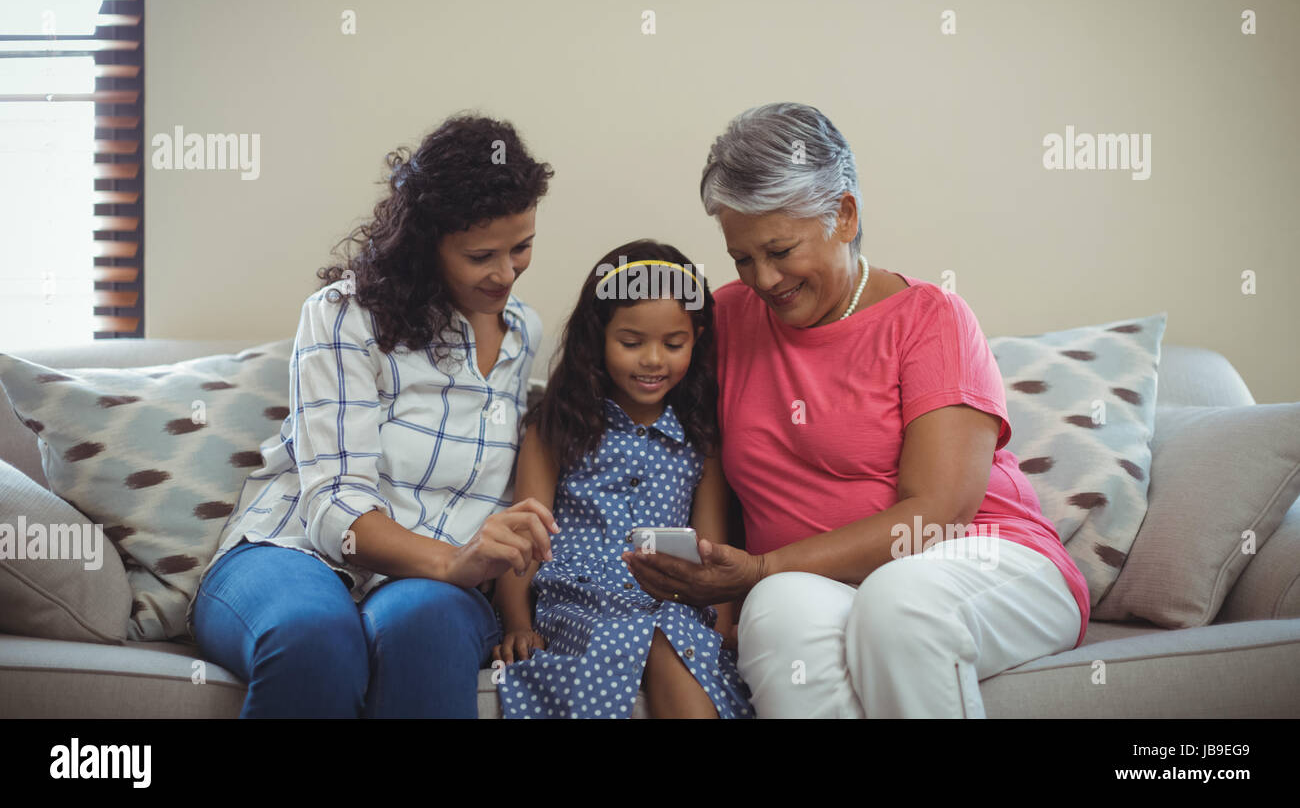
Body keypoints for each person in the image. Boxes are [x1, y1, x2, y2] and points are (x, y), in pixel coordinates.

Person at [624, 102, 1091, 718]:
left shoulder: (930, 318)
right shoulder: (726, 321)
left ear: (844, 214)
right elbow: (627, 388)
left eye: (780, 250)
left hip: (982, 560)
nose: (763, 279)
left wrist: (762, 565)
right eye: (743, 258)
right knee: (778, 614)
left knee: (897, 603)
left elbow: (939, 511)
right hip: (816, 583)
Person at [187, 112, 559, 717]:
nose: (506, 273)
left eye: (522, 248)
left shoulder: (522, 333)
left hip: (431, 588)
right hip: (297, 551)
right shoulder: (343, 315)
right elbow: (335, 503)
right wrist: (454, 562)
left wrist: (471, 569)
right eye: (480, 255)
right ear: (426, 243)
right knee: (313, 637)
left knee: (424, 630)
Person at [492, 240, 755, 718]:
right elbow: (523, 539)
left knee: (668, 631)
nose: (653, 360)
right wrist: (516, 622)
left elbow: (712, 550)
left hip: (673, 596)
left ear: (695, 338)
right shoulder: (555, 427)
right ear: (597, 339)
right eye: (631, 343)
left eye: (673, 344)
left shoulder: (703, 438)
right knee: (639, 634)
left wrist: (722, 628)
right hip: (580, 597)